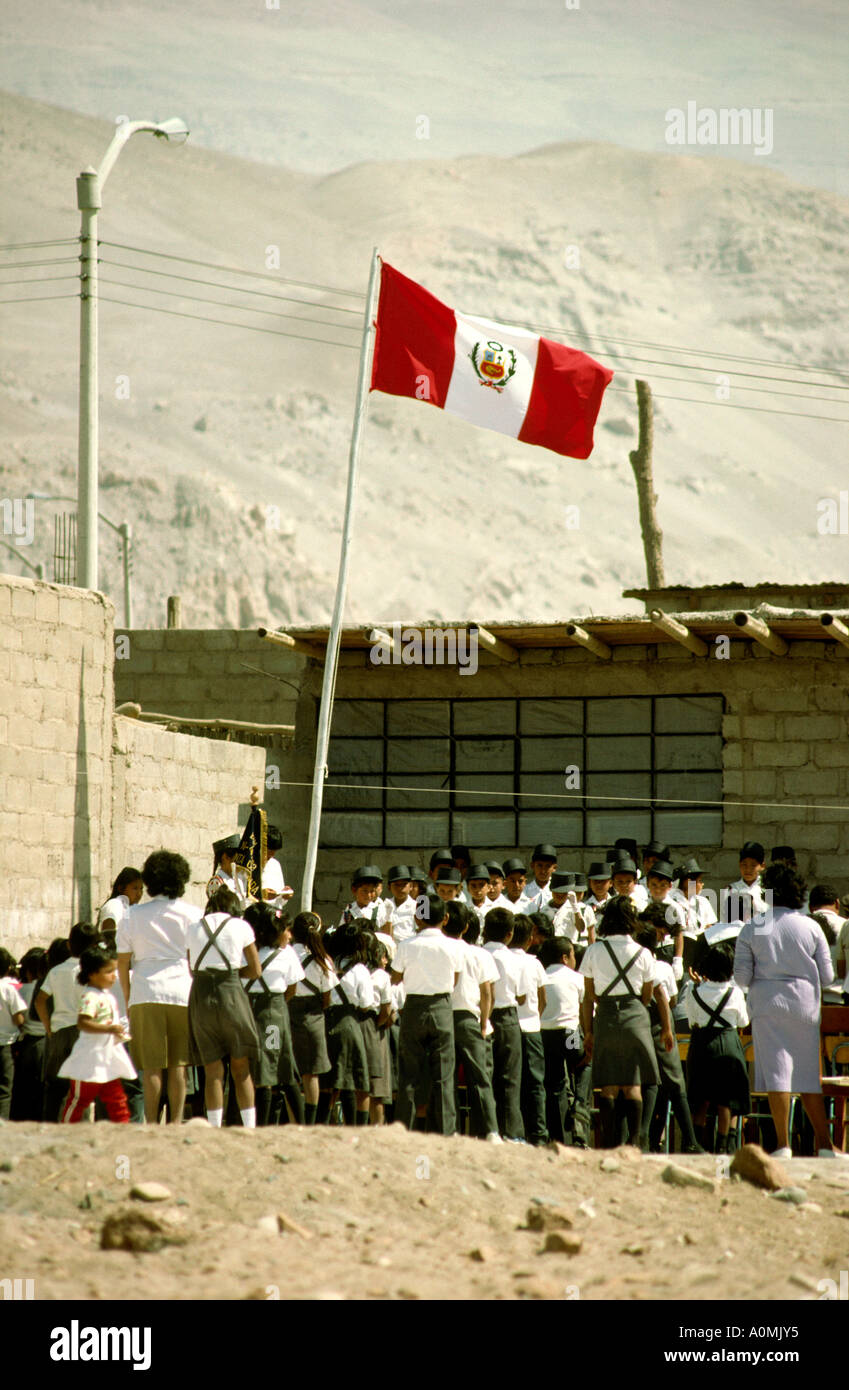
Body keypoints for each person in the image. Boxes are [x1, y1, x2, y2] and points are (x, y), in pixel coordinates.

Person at [734, 863, 846, 1159]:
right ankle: (824, 1144)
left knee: (776, 1074)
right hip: (804, 1004)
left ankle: (783, 1144)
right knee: (808, 1074)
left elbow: (741, 979)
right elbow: (827, 977)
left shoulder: (753, 926)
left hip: (767, 1003)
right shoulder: (811, 926)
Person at [579, 896, 669, 1148]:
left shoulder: (594, 950)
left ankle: (609, 1141)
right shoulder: (642, 952)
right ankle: (636, 1141)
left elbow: (590, 994)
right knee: (633, 1084)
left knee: (608, 1085)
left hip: (606, 1014)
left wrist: (589, 1029)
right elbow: (648, 994)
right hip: (636, 1015)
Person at [117, 850, 197, 1126]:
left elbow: (123, 961)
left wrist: (128, 998)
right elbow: (194, 958)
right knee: (178, 1065)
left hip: (145, 991)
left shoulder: (132, 915)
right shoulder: (192, 914)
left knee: (151, 1066)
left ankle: (151, 1122)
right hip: (182, 992)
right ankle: (175, 1122)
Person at [186, 886, 261, 1128]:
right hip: (231, 991)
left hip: (200, 994)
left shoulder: (193, 928)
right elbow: (256, 970)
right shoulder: (241, 926)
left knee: (212, 1069)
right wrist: (234, 974)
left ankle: (214, 1126)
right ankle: (249, 1127)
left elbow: (191, 967)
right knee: (241, 1066)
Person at [391, 894, 462, 1135]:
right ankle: (445, 1132)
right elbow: (455, 979)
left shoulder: (406, 945)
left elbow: (396, 977)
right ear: (446, 918)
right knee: (444, 1074)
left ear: (416, 918)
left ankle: (404, 1129)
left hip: (413, 1008)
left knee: (409, 1073)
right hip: (442, 1006)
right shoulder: (453, 945)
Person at [635, 926, 702, 1154]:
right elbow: (671, 1000)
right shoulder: (661, 967)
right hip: (661, 1025)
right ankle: (689, 1140)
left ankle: (649, 1139)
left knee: (651, 1084)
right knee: (674, 1082)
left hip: (639, 1024)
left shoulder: (634, 966)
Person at [441, 901, 501, 1142]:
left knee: (447, 1077)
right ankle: (489, 1130)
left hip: (443, 1016)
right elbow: (488, 993)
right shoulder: (479, 954)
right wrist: (485, 1022)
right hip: (471, 1018)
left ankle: (450, 1129)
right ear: (467, 927)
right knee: (481, 1078)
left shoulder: (439, 949)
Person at [58, 943, 137, 1124]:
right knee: (79, 1099)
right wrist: (109, 1029)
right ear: (93, 974)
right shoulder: (90, 996)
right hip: (89, 1056)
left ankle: (123, 1130)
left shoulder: (106, 995)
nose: (114, 976)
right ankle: (67, 1130)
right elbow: (83, 1022)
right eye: (109, 971)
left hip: (107, 1056)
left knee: (117, 1098)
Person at [242, 901, 305, 1126]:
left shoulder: (246, 952)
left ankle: (264, 1124)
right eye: (284, 930)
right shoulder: (286, 954)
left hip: (253, 1012)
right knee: (275, 1067)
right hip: (273, 1013)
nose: (289, 935)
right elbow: (292, 988)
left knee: (266, 1070)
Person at [686, 942, 750, 1154]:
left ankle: (696, 1146)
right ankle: (724, 1147)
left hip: (702, 1043)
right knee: (726, 1101)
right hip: (728, 1042)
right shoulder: (736, 992)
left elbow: (692, 1021)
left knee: (700, 1099)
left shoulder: (693, 991)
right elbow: (743, 1022)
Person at [36, 921, 101, 1122]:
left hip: (59, 1031)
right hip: (85, 1032)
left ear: (69, 945)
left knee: (56, 1086)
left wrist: (48, 1027)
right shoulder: (93, 972)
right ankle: (78, 1127)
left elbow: (40, 1000)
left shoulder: (57, 971)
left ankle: (50, 1125)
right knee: (82, 1085)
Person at [482, 907, 527, 1142]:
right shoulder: (515, 959)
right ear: (510, 934)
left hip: (482, 1017)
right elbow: (522, 996)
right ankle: (511, 1133)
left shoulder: (478, 954)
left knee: (485, 1077)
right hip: (508, 1017)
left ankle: (487, 1131)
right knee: (509, 1078)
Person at [539, 937, 589, 1146]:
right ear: (565, 957)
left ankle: (560, 1138)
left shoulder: (541, 976)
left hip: (546, 1036)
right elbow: (584, 1010)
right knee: (585, 1063)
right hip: (569, 1036)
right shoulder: (576, 978)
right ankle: (580, 1103)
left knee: (556, 1084)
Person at [289, 911, 337, 1124]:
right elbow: (328, 997)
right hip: (314, 1018)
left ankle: (287, 1118)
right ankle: (309, 1120)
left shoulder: (286, 954)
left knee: (286, 1069)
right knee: (312, 1072)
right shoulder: (322, 959)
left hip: (286, 1015)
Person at [325, 923, 375, 1125]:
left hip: (328, 1022)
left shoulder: (328, 964)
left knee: (331, 1080)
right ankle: (357, 1125)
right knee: (357, 1079)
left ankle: (325, 1123)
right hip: (350, 1022)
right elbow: (366, 1003)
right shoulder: (360, 969)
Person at [510, 916, 548, 1146]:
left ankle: (513, 1132)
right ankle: (539, 1134)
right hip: (532, 1028)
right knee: (535, 1084)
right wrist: (535, 1018)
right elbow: (543, 1000)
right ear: (530, 939)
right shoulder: (535, 963)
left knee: (510, 1081)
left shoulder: (498, 960)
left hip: (508, 1028)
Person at [10, 947, 47, 1121]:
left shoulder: (22, 990)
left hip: (27, 1044)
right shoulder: (48, 989)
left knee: (24, 1089)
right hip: (46, 1043)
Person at [0, 951, 26, 1119]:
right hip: (5, 1045)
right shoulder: (8, 989)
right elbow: (18, 1018)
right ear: (8, 967)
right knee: (4, 1090)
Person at [338, 865, 390, 931]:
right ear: (354, 890)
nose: (368, 895)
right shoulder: (349, 910)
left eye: (372, 891)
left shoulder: (378, 909)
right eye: (364, 891)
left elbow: (385, 935)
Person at [724, 841, 767, 915]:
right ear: (739, 864)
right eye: (744, 865)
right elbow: (725, 918)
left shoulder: (767, 888)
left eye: (753, 865)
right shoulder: (731, 889)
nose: (748, 870)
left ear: (762, 866)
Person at [206, 834, 249, 907]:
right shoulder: (217, 882)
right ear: (225, 857)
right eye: (236, 860)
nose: (239, 863)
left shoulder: (240, 878)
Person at [97, 868, 144, 933]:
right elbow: (108, 937)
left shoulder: (131, 908)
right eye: (135, 888)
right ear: (121, 888)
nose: (139, 894)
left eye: (141, 888)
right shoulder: (114, 905)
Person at [261, 824, 294, 906]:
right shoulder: (247, 866)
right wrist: (262, 894)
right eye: (269, 851)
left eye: (274, 851)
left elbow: (280, 901)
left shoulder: (275, 864)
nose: (271, 855)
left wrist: (284, 895)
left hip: (274, 913)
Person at [520, 844, 558, 913]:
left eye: (547, 866)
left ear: (554, 868)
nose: (543, 871)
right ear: (532, 865)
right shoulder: (524, 891)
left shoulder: (558, 892)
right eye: (539, 865)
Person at [383, 865, 416, 944]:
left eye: (404, 884)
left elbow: (420, 933)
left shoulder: (417, 906)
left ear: (411, 886)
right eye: (396, 885)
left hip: (410, 948)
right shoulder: (385, 906)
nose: (400, 888)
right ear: (389, 887)